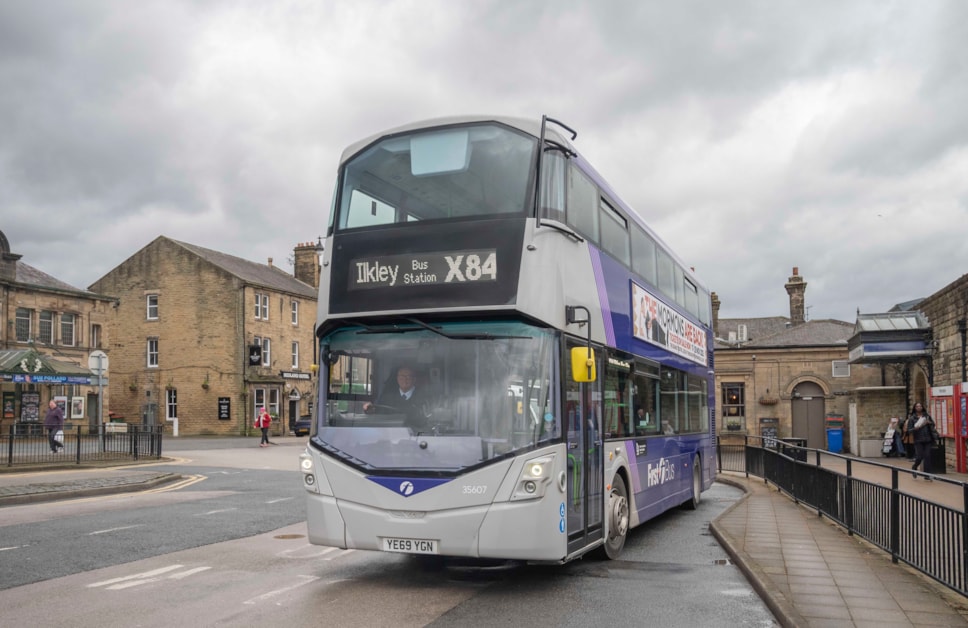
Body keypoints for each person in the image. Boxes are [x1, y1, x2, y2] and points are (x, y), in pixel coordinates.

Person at [363, 366, 430, 428]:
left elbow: (426, 420)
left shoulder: (424, 398)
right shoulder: (387, 397)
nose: (405, 379)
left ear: (414, 379)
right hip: (390, 433)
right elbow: (379, 412)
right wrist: (370, 408)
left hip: (416, 435)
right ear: (397, 378)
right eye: (402, 376)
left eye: (408, 377)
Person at [909, 402, 936, 480]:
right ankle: (914, 467)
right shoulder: (912, 418)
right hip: (918, 439)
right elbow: (909, 431)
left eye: (920, 406)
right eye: (917, 406)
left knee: (927, 456)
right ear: (914, 408)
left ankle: (927, 475)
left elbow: (933, 425)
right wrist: (915, 428)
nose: (919, 407)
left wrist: (929, 423)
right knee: (919, 456)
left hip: (927, 438)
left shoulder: (927, 416)